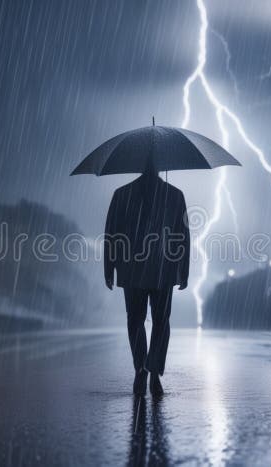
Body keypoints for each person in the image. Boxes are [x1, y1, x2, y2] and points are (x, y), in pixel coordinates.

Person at [104, 160, 190, 396]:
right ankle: (153, 374)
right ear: (162, 166)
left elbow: (111, 233)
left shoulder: (122, 194)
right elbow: (183, 236)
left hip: (131, 269)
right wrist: (183, 269)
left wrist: (108, 268)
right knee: (161, 322)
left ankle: (140, 370)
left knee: (135, 320)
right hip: (164, 268)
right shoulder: (174, 195)